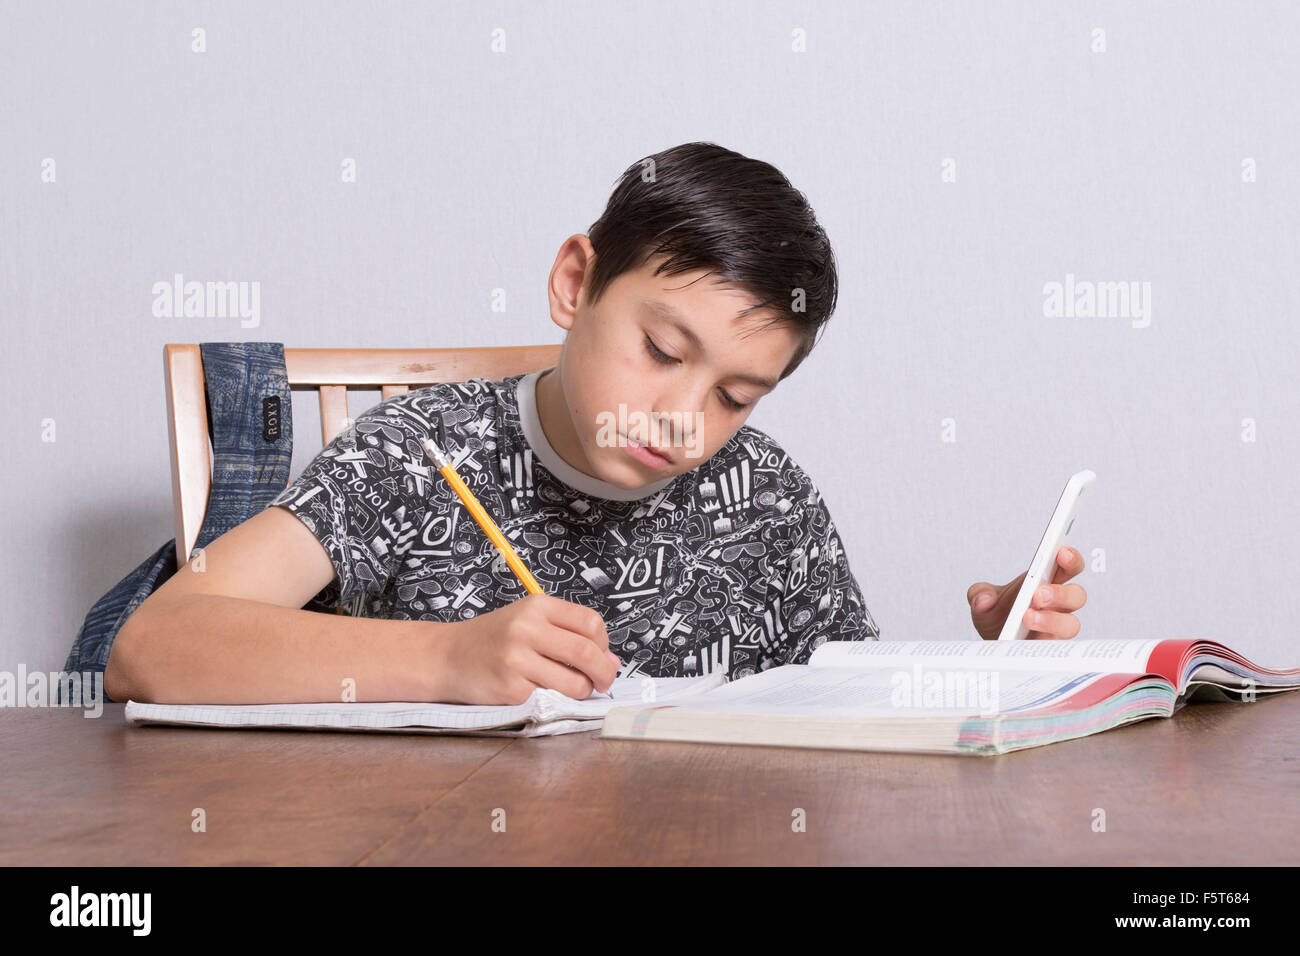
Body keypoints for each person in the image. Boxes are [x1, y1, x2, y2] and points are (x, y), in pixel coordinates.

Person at [105, 142, 1086, 707]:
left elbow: (838, 708)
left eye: (736, 396)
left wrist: (982, 667)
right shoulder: (419, 450)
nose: (681, 418)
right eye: (662, 350)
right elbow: (154, 645)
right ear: (575, 284)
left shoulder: (766, 493)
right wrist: (447, 660)